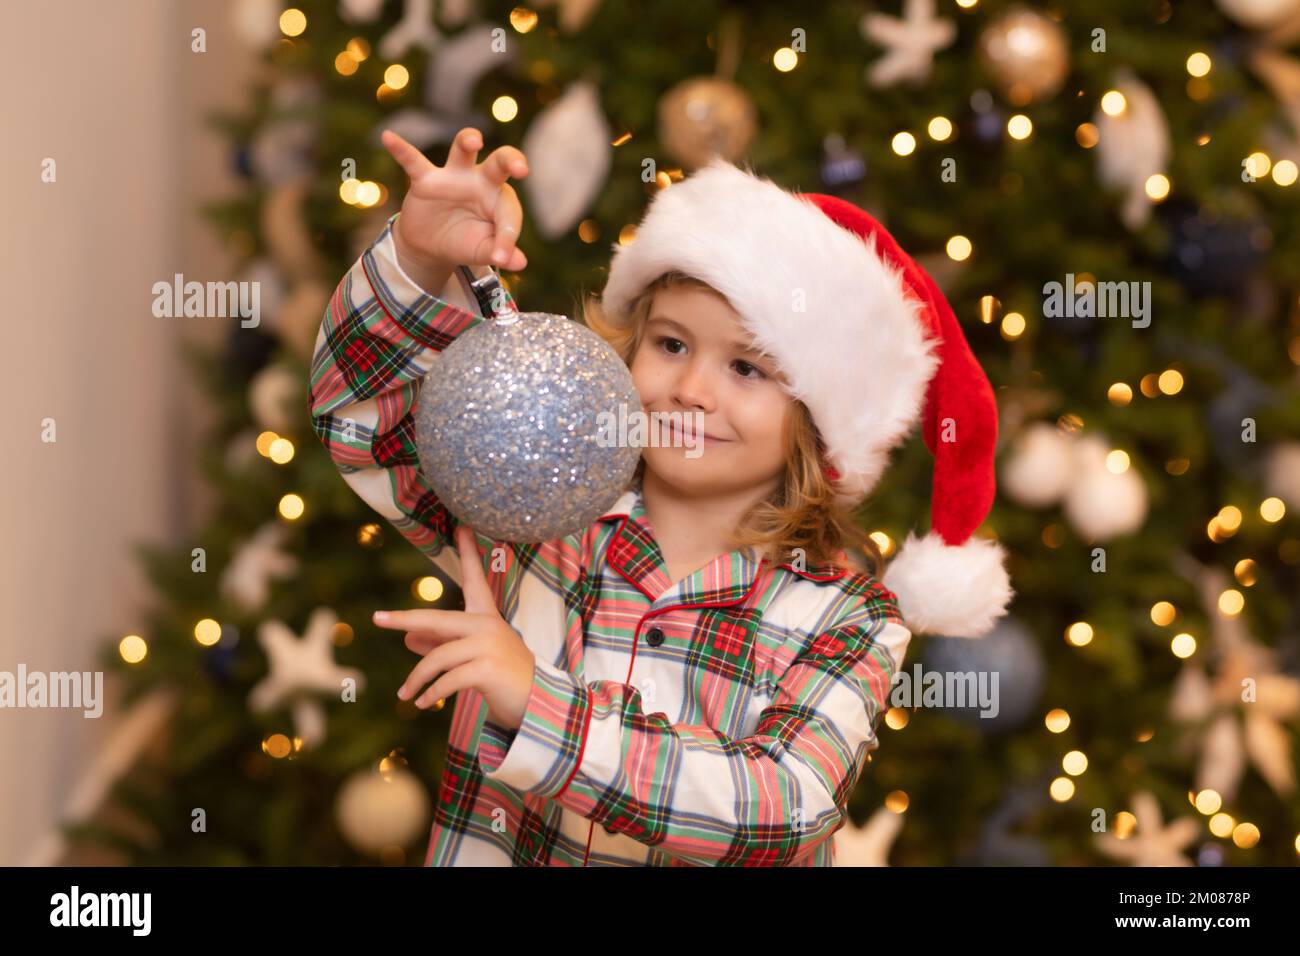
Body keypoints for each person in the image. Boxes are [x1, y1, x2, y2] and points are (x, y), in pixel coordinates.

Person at [308, 126, 1013, 866]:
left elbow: (782, 805)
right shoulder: (537, 515)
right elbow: (366, 421)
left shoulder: (848, 618)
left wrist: (542, 708)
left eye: (746, 368)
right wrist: (421, 257)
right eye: (672, 344)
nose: (690, 390)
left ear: (818, 421)